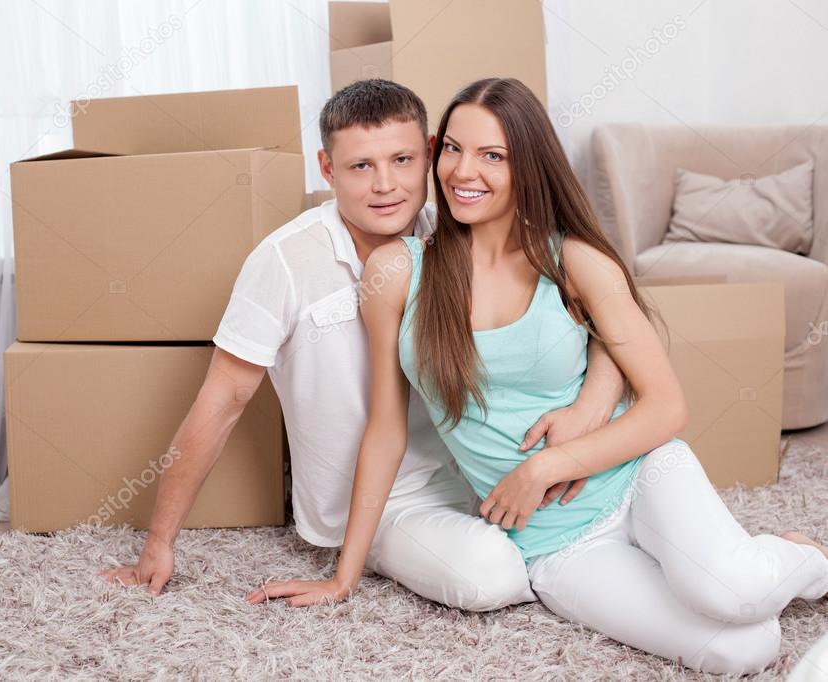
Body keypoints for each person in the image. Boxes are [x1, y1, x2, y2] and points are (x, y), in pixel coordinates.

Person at [250, 78, 828, 675]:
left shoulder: (573, 259)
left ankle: (802, 556)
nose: (463, 171)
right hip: (555, 549)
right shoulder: (397, 270)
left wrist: (546, 466)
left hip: (638, 479)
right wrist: (344, 576)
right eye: (453, 149)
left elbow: (665, 408)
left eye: (492, 155)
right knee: (745, 649)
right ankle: (741, 568)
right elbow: (385, 429)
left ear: (528, 165)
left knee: (736, 593)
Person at [99, 79, 629, 612]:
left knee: (621, 525)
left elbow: (605, 308)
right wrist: (159, 543)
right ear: (327, 168)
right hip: (383, 502)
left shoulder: (461, 226)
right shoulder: (283, 260)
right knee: (493, 578)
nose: (385, 185)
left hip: (486, 472)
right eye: (360, 167)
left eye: (401, 159)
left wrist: (591, 407)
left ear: (428, 154)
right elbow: (221, 403)